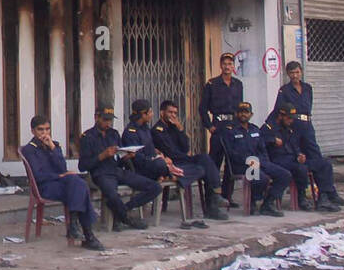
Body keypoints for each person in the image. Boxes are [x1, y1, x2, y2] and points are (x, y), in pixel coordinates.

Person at [123, 98, 212, 228]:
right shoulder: (131, 132)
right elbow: (136, 157)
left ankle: (169, 174)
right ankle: (168, 173)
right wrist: (160, 160)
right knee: (161, 165)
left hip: (157, 163)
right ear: (143, 114)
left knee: (200, 169)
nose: (152, 115)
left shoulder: (145, 128)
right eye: (150, 112)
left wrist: (161, 155)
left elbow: (153, 149)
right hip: (144, 168)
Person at [21, 115, 103, 250]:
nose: (45, 133)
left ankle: (77, 227)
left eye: (47, 129)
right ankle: (86, 233)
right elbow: (38, 175)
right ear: (33, 131)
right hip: (44, 187)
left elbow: (62, 167)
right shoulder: (29, 149)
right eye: (40, 130)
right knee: (79, 185)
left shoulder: (54, 145)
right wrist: (59, 176)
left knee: (79, 184)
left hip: (61, 185)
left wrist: (53, 148)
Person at [78, 106, 160, 232]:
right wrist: (102, 156)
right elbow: (83, 166)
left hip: (116, 170)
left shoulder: (113, 133)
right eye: (105, 120)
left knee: (155, 187)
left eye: (110, 120)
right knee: (112, 195)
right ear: (96, 118)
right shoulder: (87, 137)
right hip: (101, 173)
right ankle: (126, 218)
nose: (108, 123)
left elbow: (120, 156)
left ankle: (123, 210)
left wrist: (127, 155)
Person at [149, 99, 230, 221]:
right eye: (170, 112)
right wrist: (187, 157)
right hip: (171, 162)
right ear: (162, 113)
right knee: (202, 167)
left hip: (182, 159)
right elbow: (171, 152)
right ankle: (213, 203)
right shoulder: (158, 130)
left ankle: (214, 200)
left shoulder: (174, 127)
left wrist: (181, 130)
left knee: (205, 159)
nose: (173, 115)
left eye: (175, 113)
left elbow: (185, 147)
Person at [261, 103, 344, 212]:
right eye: (288, 118)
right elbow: (260, 143)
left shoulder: (289, 128)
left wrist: (300, 155)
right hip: (278, 161)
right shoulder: (268, 128)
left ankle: (323, 198)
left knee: (324, 164)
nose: (291, 121)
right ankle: (301, 197)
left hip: (293, 159)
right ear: (280, 116)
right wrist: (273, 140)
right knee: (300, 169)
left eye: (292, 118)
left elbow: (294, 145)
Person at [219, 101, 291, 216]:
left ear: (251, 115)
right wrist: (251, 162)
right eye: (241, 112)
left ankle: (268, 203)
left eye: (246, 112)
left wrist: (264, 162)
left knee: (285, 175)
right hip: (242, 165)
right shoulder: (230, 131)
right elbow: (232, 153)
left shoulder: (255, 129)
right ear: (236, 114)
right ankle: (252, 200)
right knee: (261, 178)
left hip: (260, 163)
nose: (243, 115)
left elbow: (262, 150)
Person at [201, 52, 243, 204]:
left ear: (233, 66)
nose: (227, 67)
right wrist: (209, 126)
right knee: (214, 163)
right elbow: (202, 108)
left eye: (230, 64)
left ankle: (227, 196)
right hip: (218, 126)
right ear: (220, 65)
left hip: (234, 127)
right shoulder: (212, 84)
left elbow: (241, 108)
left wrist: (241, 126)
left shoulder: (238, 84)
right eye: (225, 64)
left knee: (231, 163)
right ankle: (211, 197)